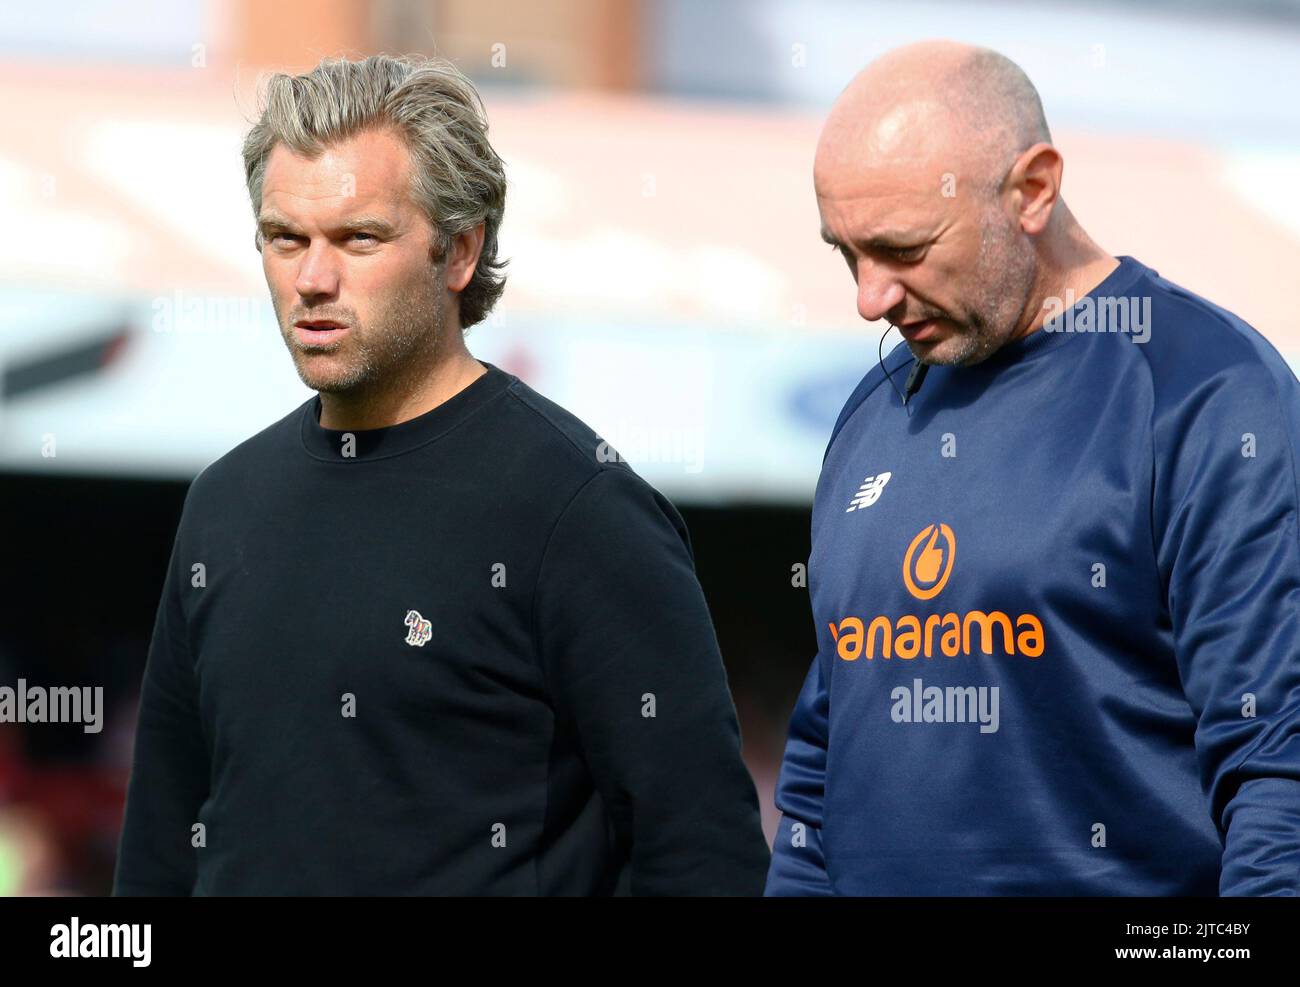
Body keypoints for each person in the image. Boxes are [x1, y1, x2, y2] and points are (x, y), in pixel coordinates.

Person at [113, 53, 769, 895]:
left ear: (460, 250)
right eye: (286, 239)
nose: (312, 278)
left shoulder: (578, 507)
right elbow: (160, 851)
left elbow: (702, 857)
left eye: (359, 237)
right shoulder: (223, 504)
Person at [765, 39, 1300, 895]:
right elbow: (817, 772)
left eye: (903, 249)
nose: (869, 297)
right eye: (847, 253)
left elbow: (1278, 761)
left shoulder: (1205, 393)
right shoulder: (872, 414)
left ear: (1033, 189)